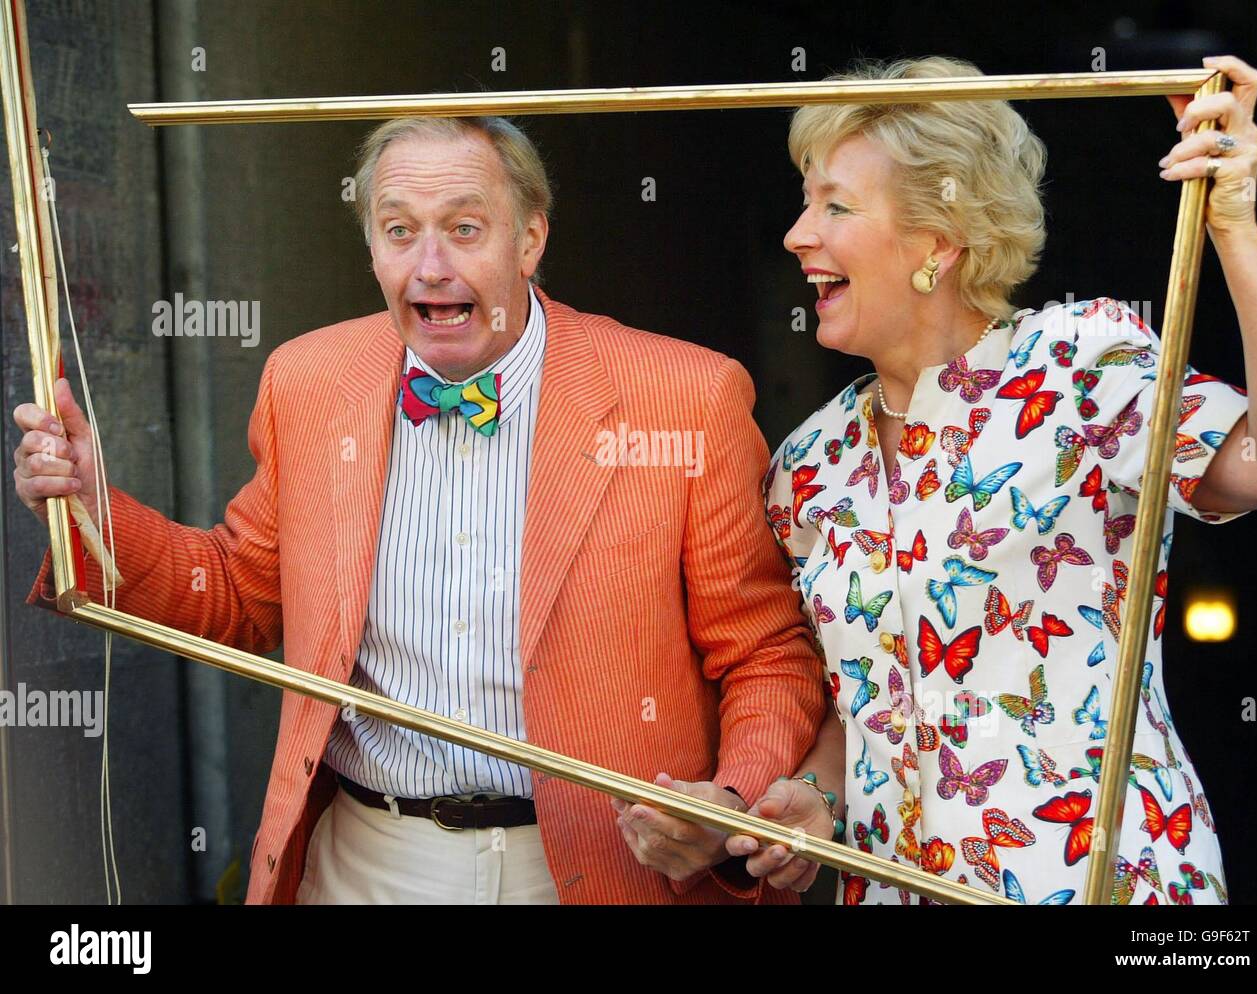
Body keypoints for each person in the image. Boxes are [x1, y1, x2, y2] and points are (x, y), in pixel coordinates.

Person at [12, 115, 824, 904]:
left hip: (606, 870)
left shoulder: (684, 396)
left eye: (465, 229)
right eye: (399, 231)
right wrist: (91, 508)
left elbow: (764, 652)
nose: (429, 266)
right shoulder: (309, 381)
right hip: (368, 861)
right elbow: (237, 593)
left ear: (531, 240)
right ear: (371, 246)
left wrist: (729, 800)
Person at [725, 54, 1257, 905]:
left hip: (1108, 885)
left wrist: (1234, 227)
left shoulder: (1079, 364)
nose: (797, 234)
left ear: (940, 240)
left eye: (835, 206)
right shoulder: (807, 465)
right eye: (807, 201)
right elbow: (863, 706)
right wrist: (816, 800)